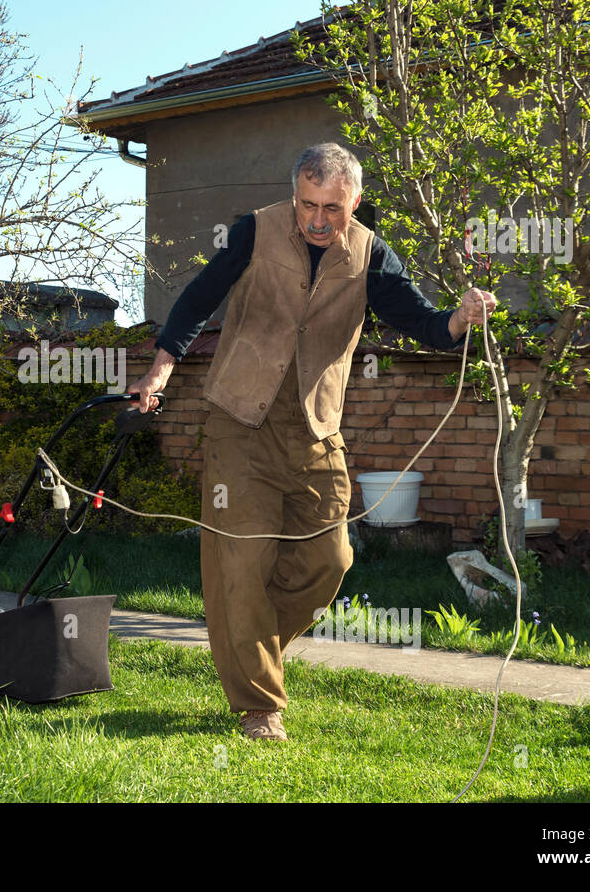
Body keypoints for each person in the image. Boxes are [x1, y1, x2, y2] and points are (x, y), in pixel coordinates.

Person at [126, 142, 498, 740]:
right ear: (294, 195)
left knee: (331, 559)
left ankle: (251, 644)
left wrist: (460, 318)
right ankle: (258, 704)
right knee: (242, 562)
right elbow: (199, 297)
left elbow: (422, 321)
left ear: (355, 201)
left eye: (333, 208)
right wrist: (161, 369)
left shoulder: (371, 254)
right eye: (308, 205)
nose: (319, 220)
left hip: (316, 428)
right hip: (239, 420)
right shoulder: (254, 231)